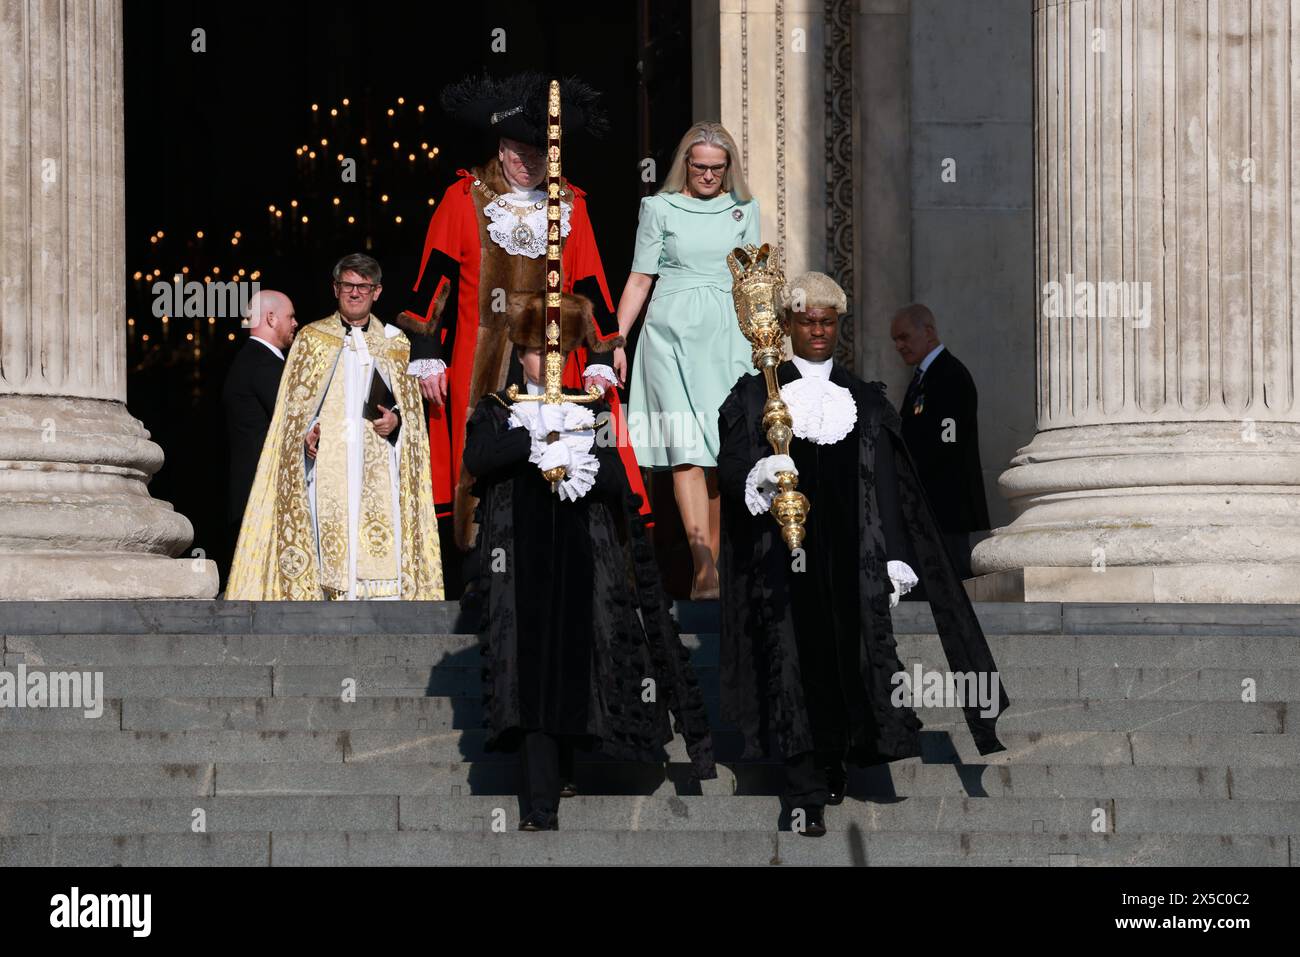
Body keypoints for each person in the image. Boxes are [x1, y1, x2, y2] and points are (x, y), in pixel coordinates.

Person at [717, 271, 1008, 836]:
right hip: (784, 564)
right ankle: (802, 790)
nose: (819, 330)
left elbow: (889, 487)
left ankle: (836, 764)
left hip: (855, 560)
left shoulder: (864, 401)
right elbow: (729, 471)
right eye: (807, 321)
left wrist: (897, 556)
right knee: (795, 664)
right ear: (788, 326)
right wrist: (759, 472)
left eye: (828, 321)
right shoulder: (758, 394)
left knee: (848, 664)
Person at [462, 291, 715, 830]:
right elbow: (477, 460)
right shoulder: (497, 407)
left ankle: (566, 768)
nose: (545, 362)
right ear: (521, 353)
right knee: (530, 672)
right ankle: (539, 802)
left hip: (581, 558)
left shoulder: (591, 407)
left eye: (555, 352)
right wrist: (527, 441)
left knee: (577, 663)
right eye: (534, 352)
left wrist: (578, 455)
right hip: (520, 564)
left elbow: (618, 482)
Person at [396, 72, 648, 579]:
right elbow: (433, 280)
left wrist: (600, 356)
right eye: (518, 153)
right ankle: (478, 571)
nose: (528, 164)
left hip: (555, 354)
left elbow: (593, 286)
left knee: (561, 451)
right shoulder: (464, 198)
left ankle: (558, 557)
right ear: (501, 147)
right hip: (479, 354)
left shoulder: (570, 206)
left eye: (539, 156)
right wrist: (426, 345)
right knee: (485, 457)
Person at [226, 254, 443, 601]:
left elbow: (411, 420)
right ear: (335, 289)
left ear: (377, 292)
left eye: (363, 287)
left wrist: (396, 422)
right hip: (329, 466)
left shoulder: (397, 343)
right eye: (347, 286)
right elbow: (293, 413)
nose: (354, 293)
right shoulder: (312, 340)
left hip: (380, 466)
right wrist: (309, 431)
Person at [613, 122, 759, 599]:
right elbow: (639, 278)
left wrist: (766, 341)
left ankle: (715, 561)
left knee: (720, 452)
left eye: (719, 168)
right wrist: (617, 339)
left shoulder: (745, 211)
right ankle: (703, 569)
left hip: (728, 337)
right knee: (683, 450)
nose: (710, 175)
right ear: (686, 164)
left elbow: (756, 280)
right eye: (701, 166)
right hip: (667, 335)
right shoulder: (658, 207)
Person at [889, 303, 990, 583]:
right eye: (895, 340)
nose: (899, 345)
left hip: (946, 507)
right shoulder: (923, 378)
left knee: (950, 582)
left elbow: (949, 444)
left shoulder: (949, 375)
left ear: (929, 332)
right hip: (927, 507)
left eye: (904, 337)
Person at [221, 289, 297, 577]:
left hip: (249, 497)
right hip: (263, 500)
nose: (295, 323)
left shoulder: (246, 360)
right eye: (290, 316)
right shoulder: (264, 364)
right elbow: (293, 422)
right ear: (271, 318)